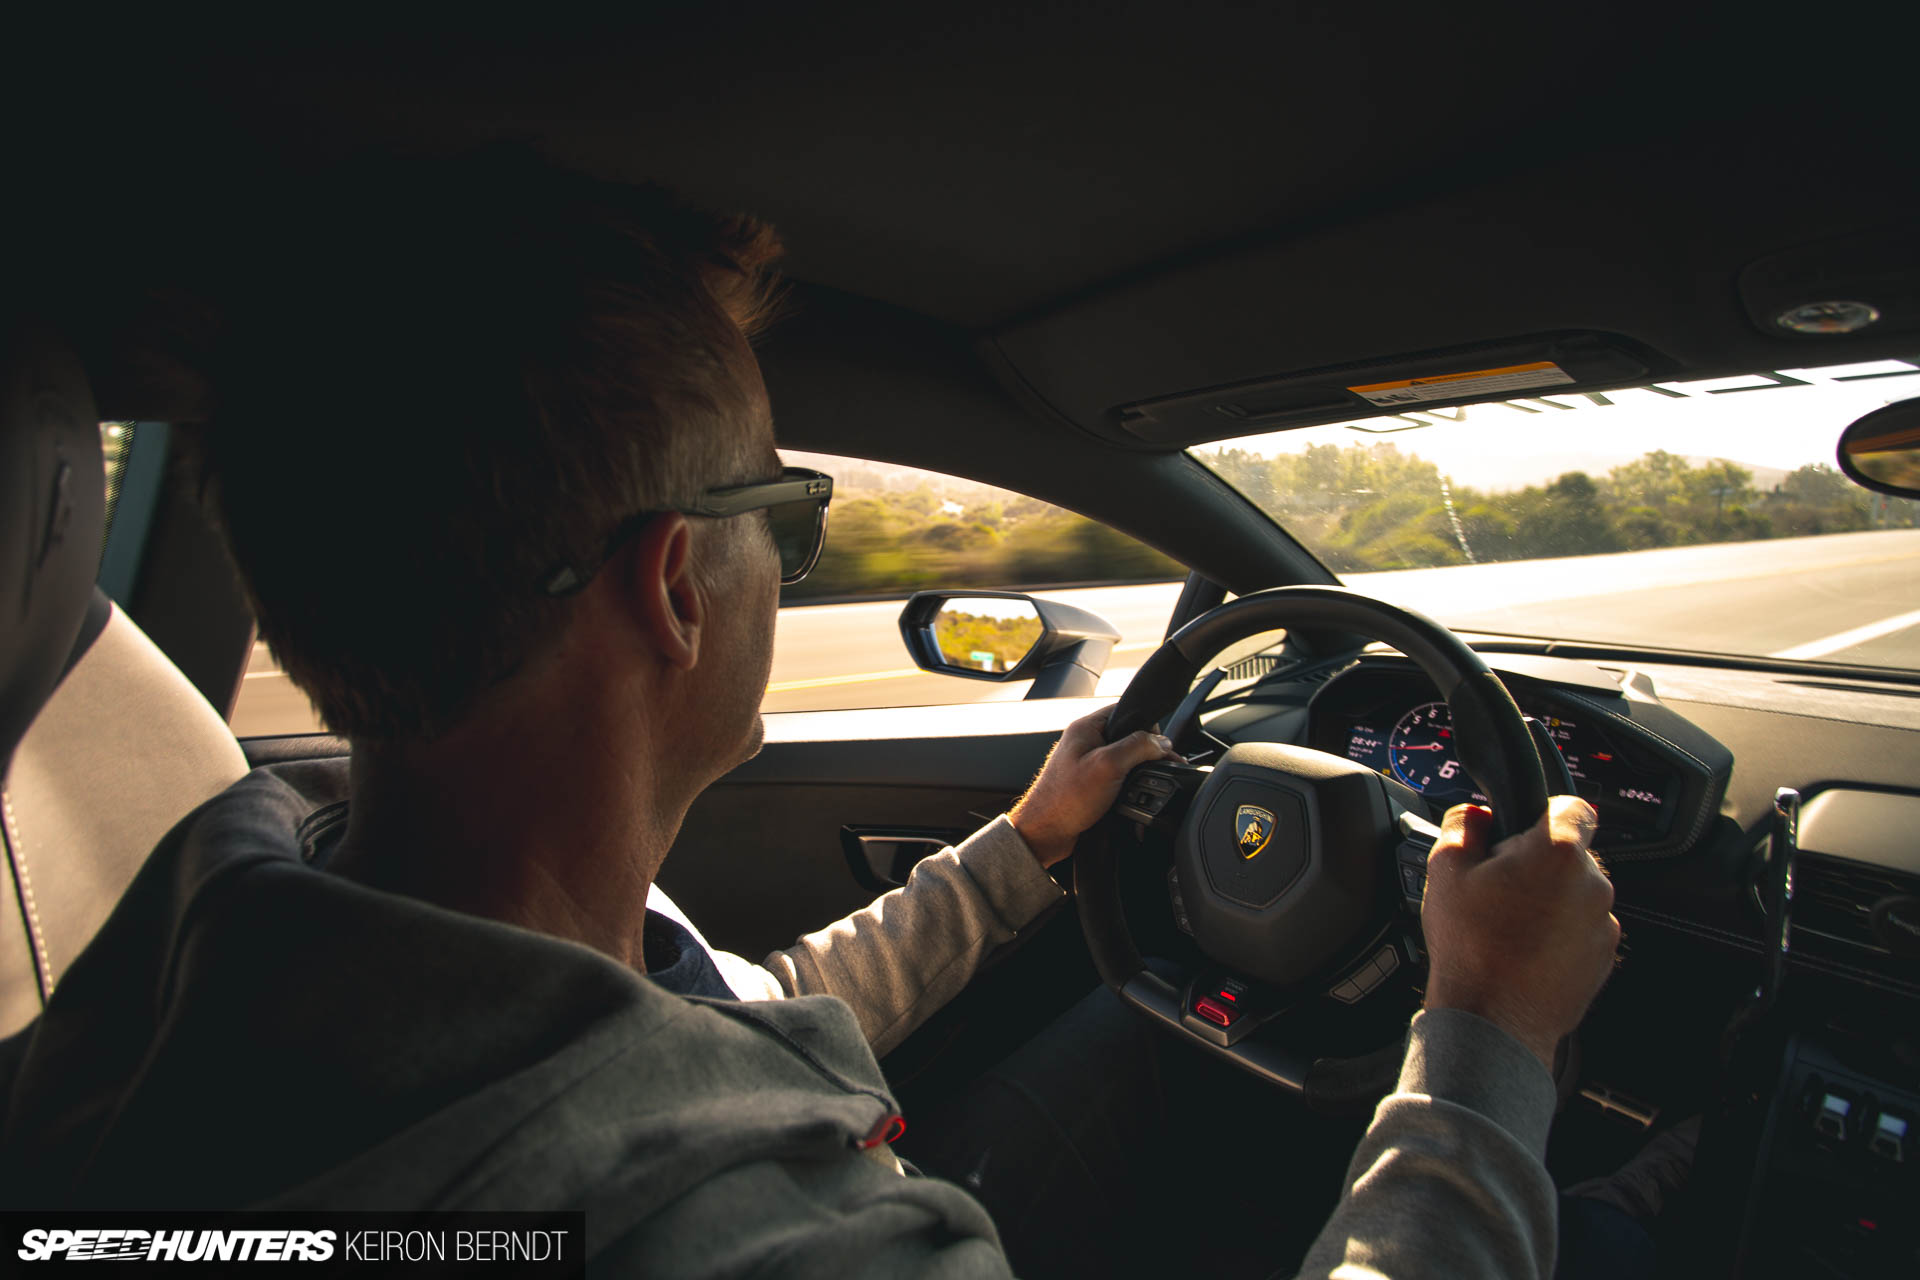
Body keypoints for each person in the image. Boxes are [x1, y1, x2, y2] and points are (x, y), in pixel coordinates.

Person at [0, 158, 1622, 1277]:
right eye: (784, 512)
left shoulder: (236, 930)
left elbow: (723, 1010)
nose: (790, 558)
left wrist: (1022, 852)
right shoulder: (739, 1243)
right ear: (677, 592)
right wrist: (1487, 1039)